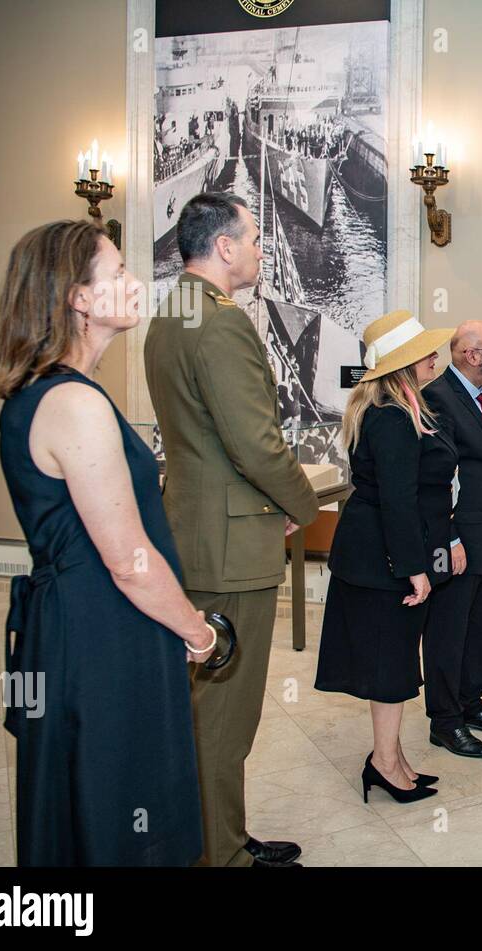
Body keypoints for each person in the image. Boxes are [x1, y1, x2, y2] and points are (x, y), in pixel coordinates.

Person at [0, 220, 211, 865]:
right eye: (116, 273)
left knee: (90, 797)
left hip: (80, 623)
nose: (133, 283)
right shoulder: (73, 403)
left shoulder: (43, 394)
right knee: (120, 801)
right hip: (102, 632)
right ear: (78, 299)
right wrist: (197, 631)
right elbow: (127, 560)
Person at [144, 192, 319, 868]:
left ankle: (221, 833)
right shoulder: (221, 323)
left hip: (191, 527)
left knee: (204, 704)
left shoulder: (171, 315)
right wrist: (305, 506)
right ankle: (220, 854)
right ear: (222, 246)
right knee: (225, 714)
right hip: (231, 542)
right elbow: (256, 444)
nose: (260, 250)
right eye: (252, 239)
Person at [316, 310, 455, 801]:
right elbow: (398, 500)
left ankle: (391, 758)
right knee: (390, 666)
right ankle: (384, 762)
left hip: (374, 553)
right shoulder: (393, 417)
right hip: (383, 561)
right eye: (425, 352)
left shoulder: (388, 407)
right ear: (405, 362)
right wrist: (414, 568)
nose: (434, 357)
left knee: (390, 665)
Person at [420, 321, 482, 757]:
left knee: (477, 630)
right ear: (472, 355)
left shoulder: (481, 398)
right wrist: (453, 538)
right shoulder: (438, 399)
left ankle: (469, 702)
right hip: (458, 545)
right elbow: (436, 480)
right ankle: (444, 721)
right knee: (448, 632)